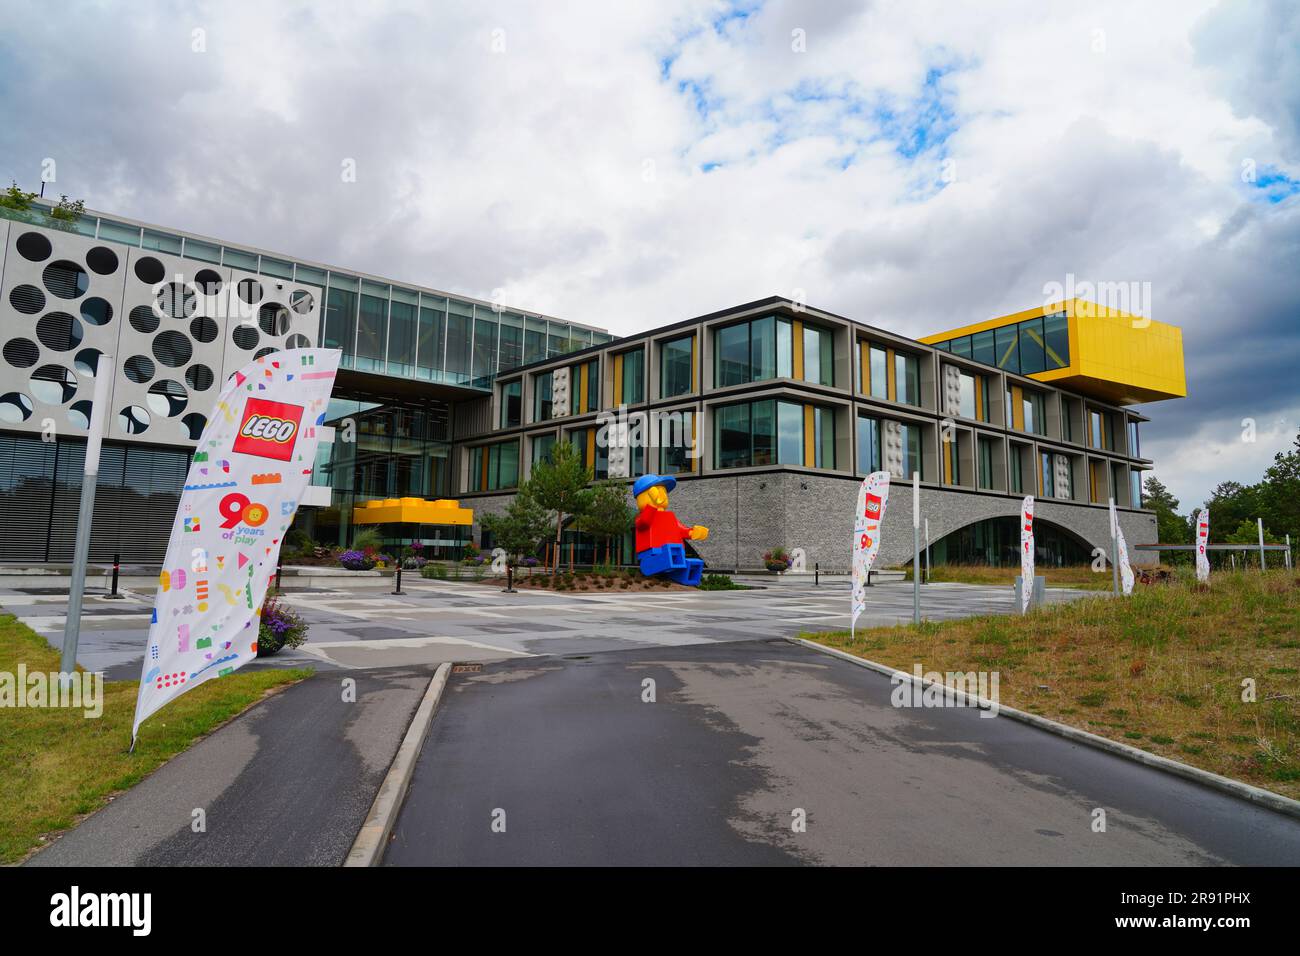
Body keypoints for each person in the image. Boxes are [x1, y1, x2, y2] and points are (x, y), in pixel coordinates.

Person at [632, 474, 708, 586]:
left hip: (675, 551)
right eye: (656, 491)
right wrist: (653, 506)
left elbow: (680, 529)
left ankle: (685, 577)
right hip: (653, 552)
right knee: (670, 555)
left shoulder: (669, 516)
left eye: (663, 492)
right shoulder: (642, 517)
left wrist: (692, 533)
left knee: (692, 563)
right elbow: (644, 523)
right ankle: (664, 565)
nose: (662, 495)